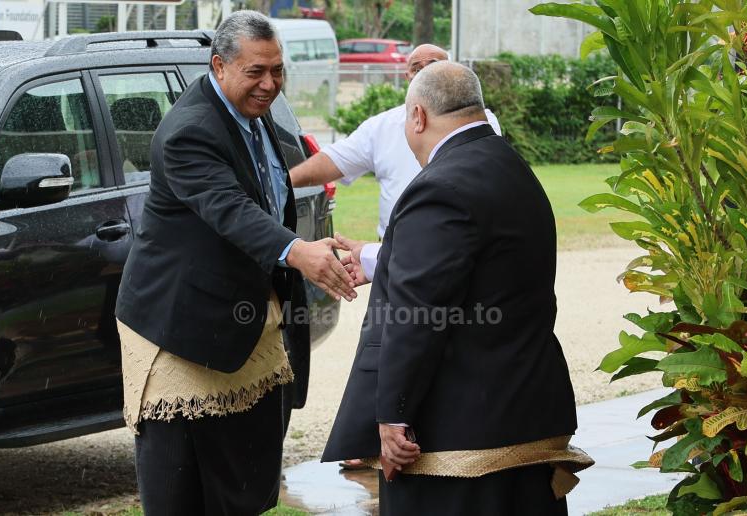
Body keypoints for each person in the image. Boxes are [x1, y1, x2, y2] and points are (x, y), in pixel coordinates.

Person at [321, 62, 593, 515]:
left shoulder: (439, 186)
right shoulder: (509, 166)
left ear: (418, 117)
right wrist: (376, 257)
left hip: (462, 436)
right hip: (525, 409)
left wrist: (392, 416)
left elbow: (418, 316)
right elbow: (477, 261)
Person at [114, 11, 355, 515]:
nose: (270, 84)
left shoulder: (254, 113)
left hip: (244, 315)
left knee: (247, 476)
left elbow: (268, 194)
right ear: (218, 66)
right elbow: (230, 208)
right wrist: (297, 250)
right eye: (255, 72)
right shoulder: (189, 132)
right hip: (176, 325)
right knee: (180, 480)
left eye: (277, 70)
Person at [290, 45, 501, 276]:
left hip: (455, 246)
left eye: (433, 65)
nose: (423, 72)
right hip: (395, 250)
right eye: (416, 67)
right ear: (407, 76)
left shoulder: (478, 121)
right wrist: (284, 181)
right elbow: (334, 161)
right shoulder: (382, 126)